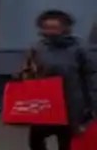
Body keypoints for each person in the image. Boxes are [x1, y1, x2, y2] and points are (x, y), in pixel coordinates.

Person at [23, 9, 94, 150]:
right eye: (47, 28)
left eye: (55, 28)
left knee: (66, 143)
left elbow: (90, 76)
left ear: (65, 28)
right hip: (44, 104)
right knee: (36, 141)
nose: (51, 31)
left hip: (71, 105)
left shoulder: (78, 48)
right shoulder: (37, 48)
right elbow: (28, 72)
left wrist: (91, 105)